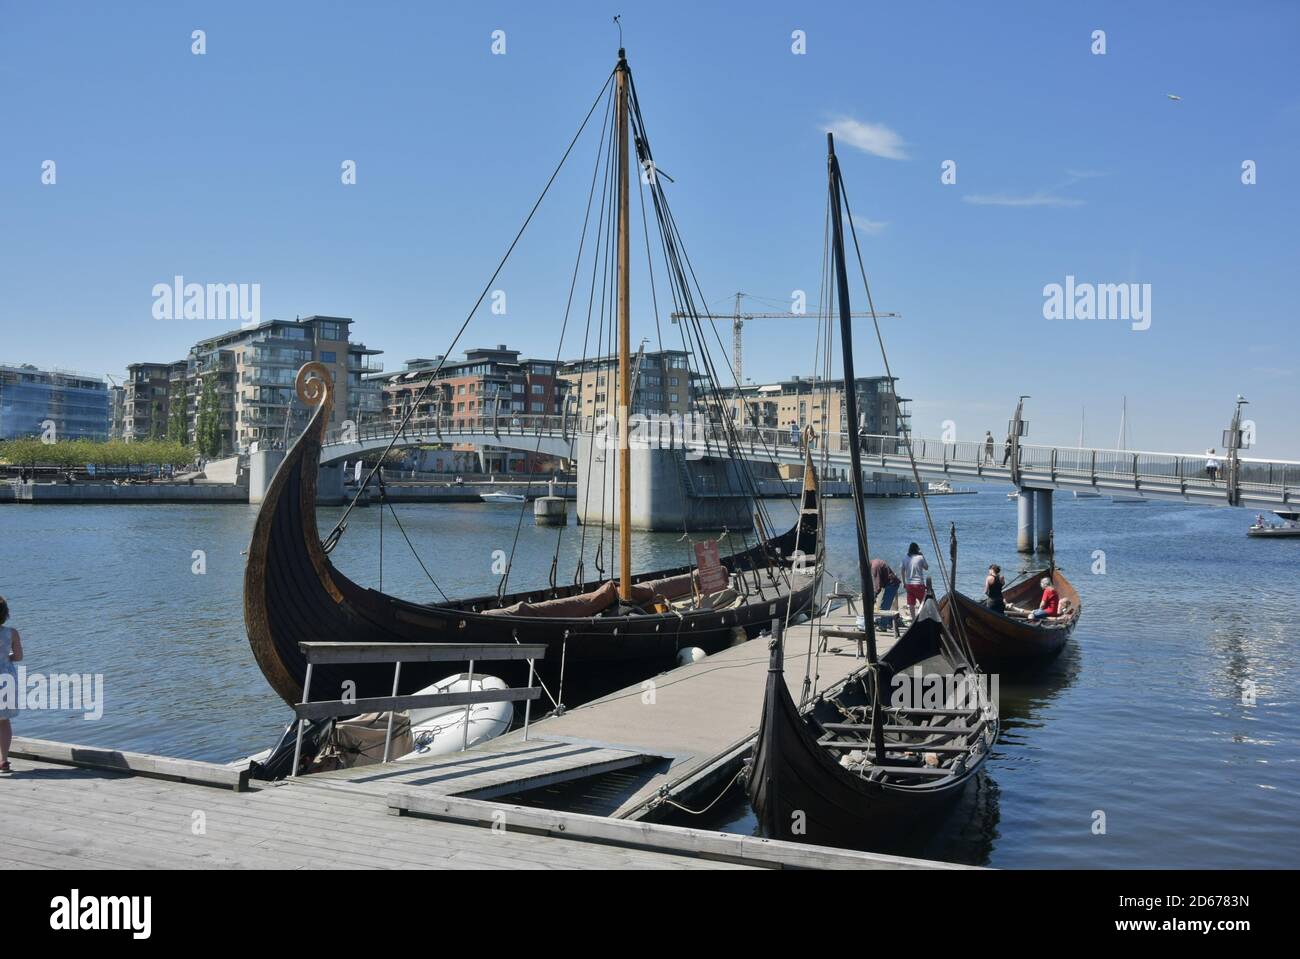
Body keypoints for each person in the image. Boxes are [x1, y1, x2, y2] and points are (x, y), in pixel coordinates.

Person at [0, 596, 22, 775]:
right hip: (6, 677)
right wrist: (6, 657)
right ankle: (4, 761)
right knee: (4, 721)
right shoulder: (12, 633)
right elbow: (18, 657)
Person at [900, 543, 929, 618]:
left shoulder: (905, 558)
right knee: (923, 602)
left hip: (909, 585)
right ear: (917, 549)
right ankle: (920, 617)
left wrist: (903, 582)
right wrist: (923, 555)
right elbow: (926, 567)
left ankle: (913, 619)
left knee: (911, 603)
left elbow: (902, 571)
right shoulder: (920, 557)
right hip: (919, 584)